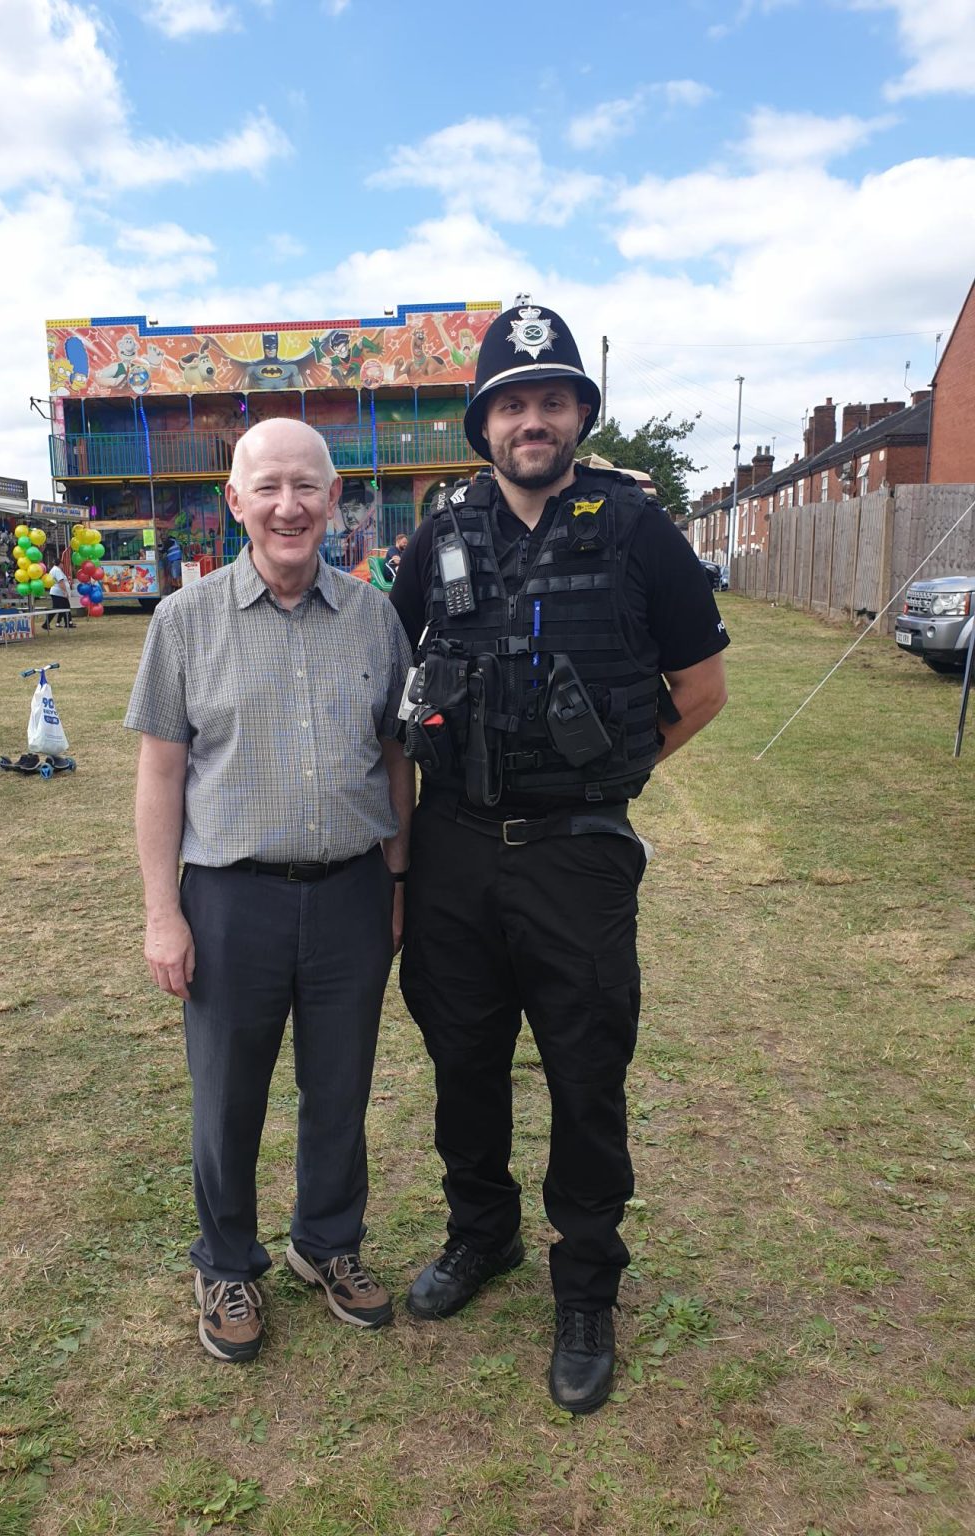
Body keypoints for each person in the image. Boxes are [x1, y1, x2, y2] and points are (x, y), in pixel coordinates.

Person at [389, 301, 729, 1414]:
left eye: (552, 399)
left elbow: (701, 689)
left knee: (586, 1072)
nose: (532, 420)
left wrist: (610, 774)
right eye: (511, 403)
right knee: (463, 1055)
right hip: (453, 849)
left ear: (579, 412)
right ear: (485, 423)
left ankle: (585, 1287)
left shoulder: (634, 529)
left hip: (576, 854)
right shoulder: (436, 536)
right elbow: (397, 689)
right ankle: (478, 1234)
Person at [125, 418, 414, 1364]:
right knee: (227, 1096)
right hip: (229, 898)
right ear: (235, 501)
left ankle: (326, 1244)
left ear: (336, 502)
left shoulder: (375, 618)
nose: (288, 506)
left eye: (308, 486)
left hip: (349, 896)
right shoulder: (185, 621)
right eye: (268, 487)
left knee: (340, 1088)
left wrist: (400, 878)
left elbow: (395, 756)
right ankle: (225, 1260)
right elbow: (160, 776)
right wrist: (163, 912)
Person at [43, 562, 74, 630]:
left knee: (66, 607)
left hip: (58, 593)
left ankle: (68, 623)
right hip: (58, 593)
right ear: (60, 564)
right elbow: (61, 582)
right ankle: (46, 624)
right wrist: (65, 592)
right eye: (62, 564)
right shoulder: (57, 570)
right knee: (57, 608)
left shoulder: (54, 569)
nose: (63, 566)